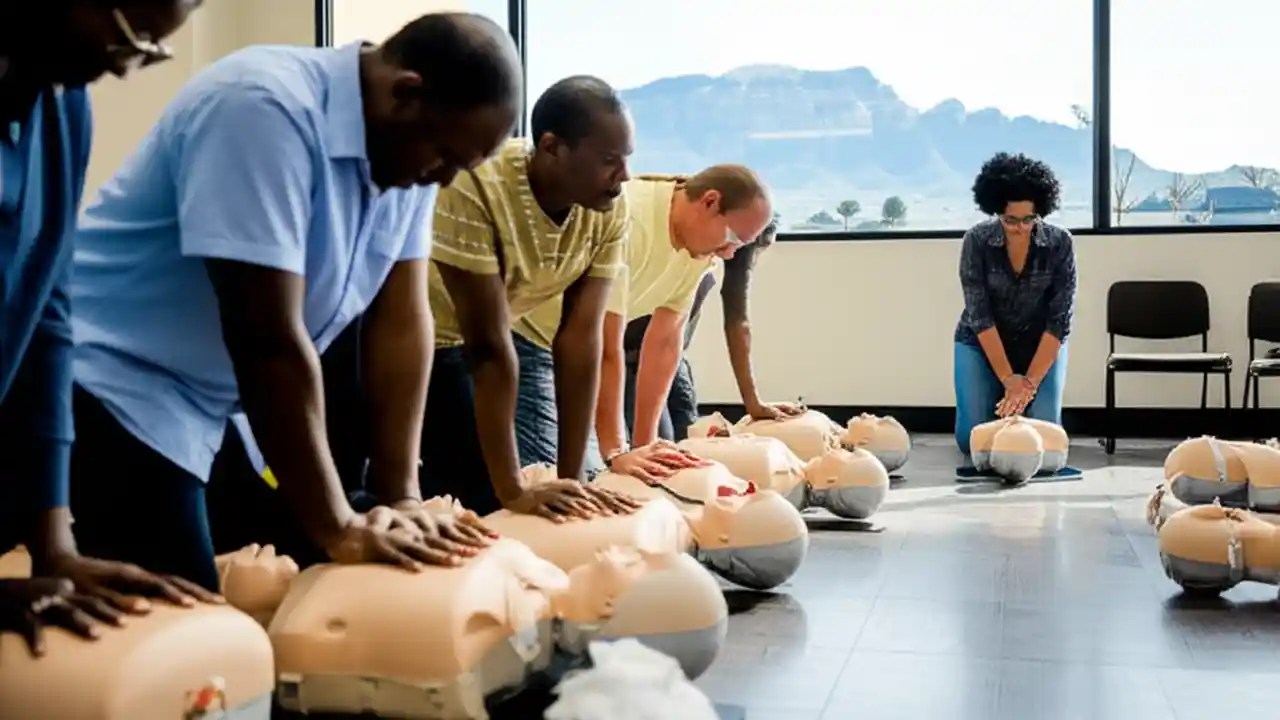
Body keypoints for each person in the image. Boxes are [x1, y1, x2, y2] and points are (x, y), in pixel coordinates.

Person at [64, 12, 522, 593]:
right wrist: (338, 528)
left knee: (303, 574)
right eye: (446, 158)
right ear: (406, 93)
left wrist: (400, 495)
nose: (444, 181)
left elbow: (401, 321)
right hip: (112, 388)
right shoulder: (260, 108)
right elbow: (266, 338)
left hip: (219, 407)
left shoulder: (412, 158)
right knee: (182, 633)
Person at [0, 0, 220, 657]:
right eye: (131, 41)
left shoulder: (62, 110)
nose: (125, 71)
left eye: (149, 53)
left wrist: (56, 548)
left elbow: (47, 320)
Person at [422, 76, 692, 519]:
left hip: (480, 343)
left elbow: (579, 340)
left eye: (626, 159)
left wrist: (572, 482)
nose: (624, 176)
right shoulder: (478, 185)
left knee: (531, 493)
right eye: (608, 160)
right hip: (409, 340)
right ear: (551, 148)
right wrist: (511, 491)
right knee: (478, 498)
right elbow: (487, 346)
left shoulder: (607, 206)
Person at [515, 168, 773, 476]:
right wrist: (616, 451)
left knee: (631, 465)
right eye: (731, 238)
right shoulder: (630, 220)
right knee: (557, 479)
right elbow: (601, 342)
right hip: (525, 337)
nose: (730, 254)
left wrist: (644, 444)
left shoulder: (701, 250)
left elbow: (665, 341)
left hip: (573, 350)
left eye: (739, 246)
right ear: (709, 202)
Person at [619, 217, 804, 442]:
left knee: (688, 435)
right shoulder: (689, 251)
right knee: (656, 444)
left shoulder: (721, 255)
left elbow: (738, 322)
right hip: (629, 359)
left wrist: (753, 403)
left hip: (669, 358)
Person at [953, 152, 1076, 463]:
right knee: (973, 441)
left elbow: (1059, 320)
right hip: (980, 344)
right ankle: (996, 397)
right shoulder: (977, 241)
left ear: (1040, 212)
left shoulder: (1061, 244)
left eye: (1028, 219)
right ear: (996, 212)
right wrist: (1009, 378)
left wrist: (1029, 384)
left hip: (1040, 344)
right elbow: (979, 315)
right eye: (1010, 220)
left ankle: (1014, 405)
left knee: (1045, 439)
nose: (1020, 227)